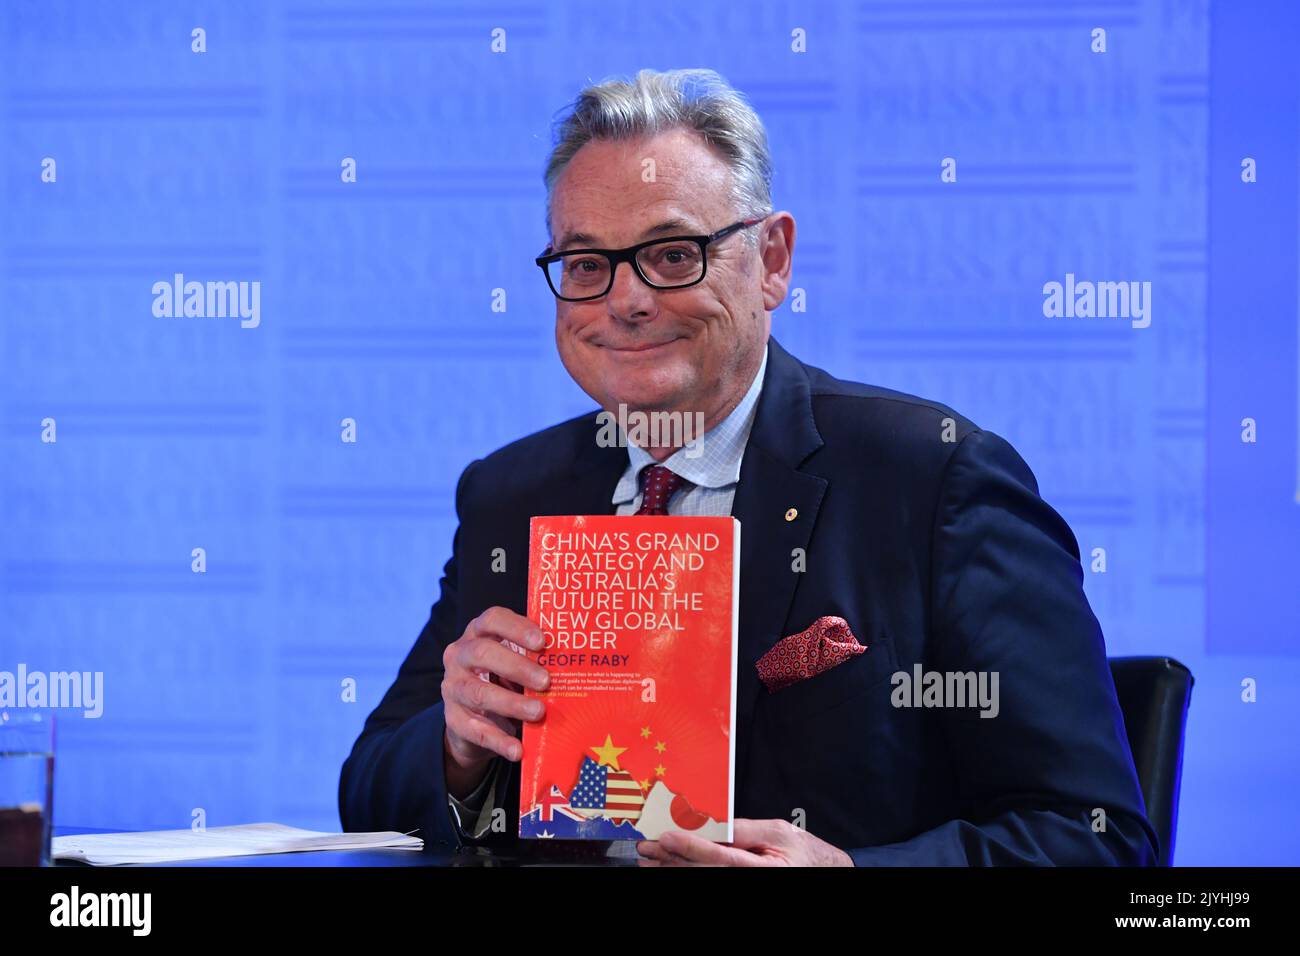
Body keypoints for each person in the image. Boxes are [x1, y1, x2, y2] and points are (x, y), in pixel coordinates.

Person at [338, 68, 1158, 866]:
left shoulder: (934, 479)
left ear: (772, 261)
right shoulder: (510, 492)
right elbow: (368, 796)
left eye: (670, 254)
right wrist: (456, 744)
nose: (625, 300)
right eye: (587, 265)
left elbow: (1095, 837)